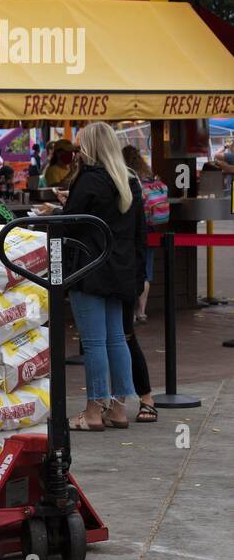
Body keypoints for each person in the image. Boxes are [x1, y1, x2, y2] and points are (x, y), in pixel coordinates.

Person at [43, 122, 138, 431]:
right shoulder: (128, 180)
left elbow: (71, 224)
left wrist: (56, 213)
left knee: (94, 342)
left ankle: (93, 411)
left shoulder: (89, 180)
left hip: (89, 267)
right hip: (119, 268)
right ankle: (119, 409)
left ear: (90, 147)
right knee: (116, 339)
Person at [121, 147, 157, 422]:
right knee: (124, 337)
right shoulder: (132, 181)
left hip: (113, 274)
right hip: (125, 272)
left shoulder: (124, 182)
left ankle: (123, 402)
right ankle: (139, 399)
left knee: (120, 338)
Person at [122, 146, 165, 323]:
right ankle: (142, 312)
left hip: (131, 229)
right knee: (146, 272)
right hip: (150, 228)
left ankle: (130, 313)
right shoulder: (147, 173)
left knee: (130, 270)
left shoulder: (125, 174)